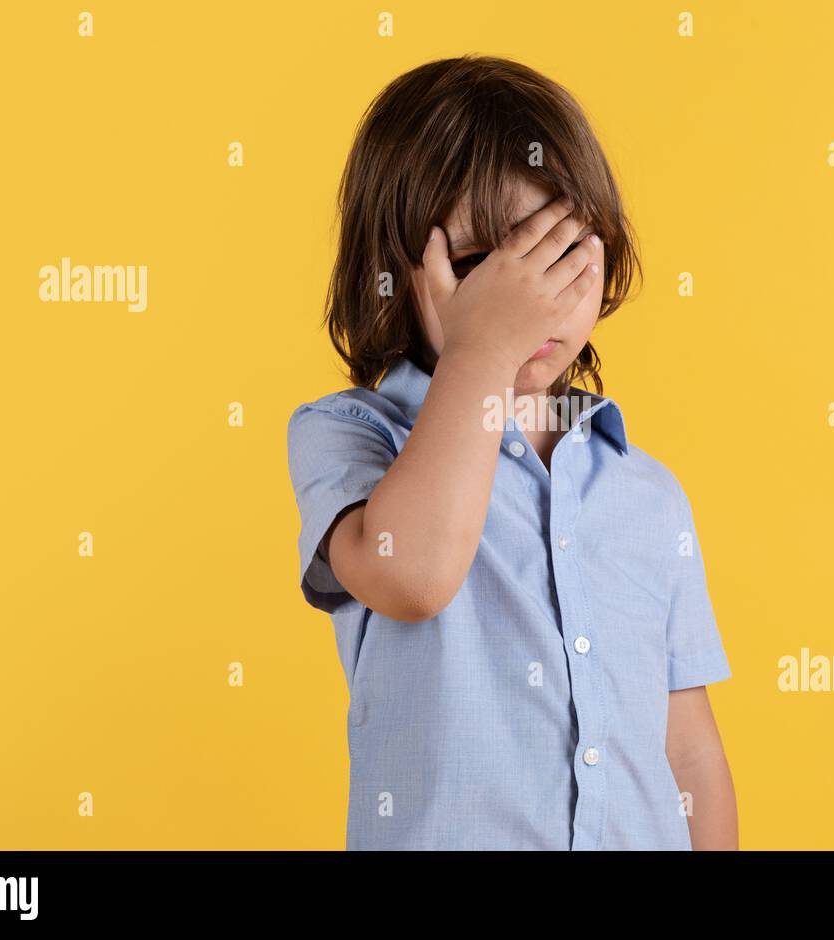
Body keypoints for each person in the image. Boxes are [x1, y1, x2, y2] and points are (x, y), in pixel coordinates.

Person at [287, 55, 736, 850]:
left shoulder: (648, 493)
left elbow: (688, 748)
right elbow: (414, 577)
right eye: (475, 269)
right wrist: (478, 353)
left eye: (555, 254)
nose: (522, 299)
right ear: (396, 273)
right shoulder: (354, 436)